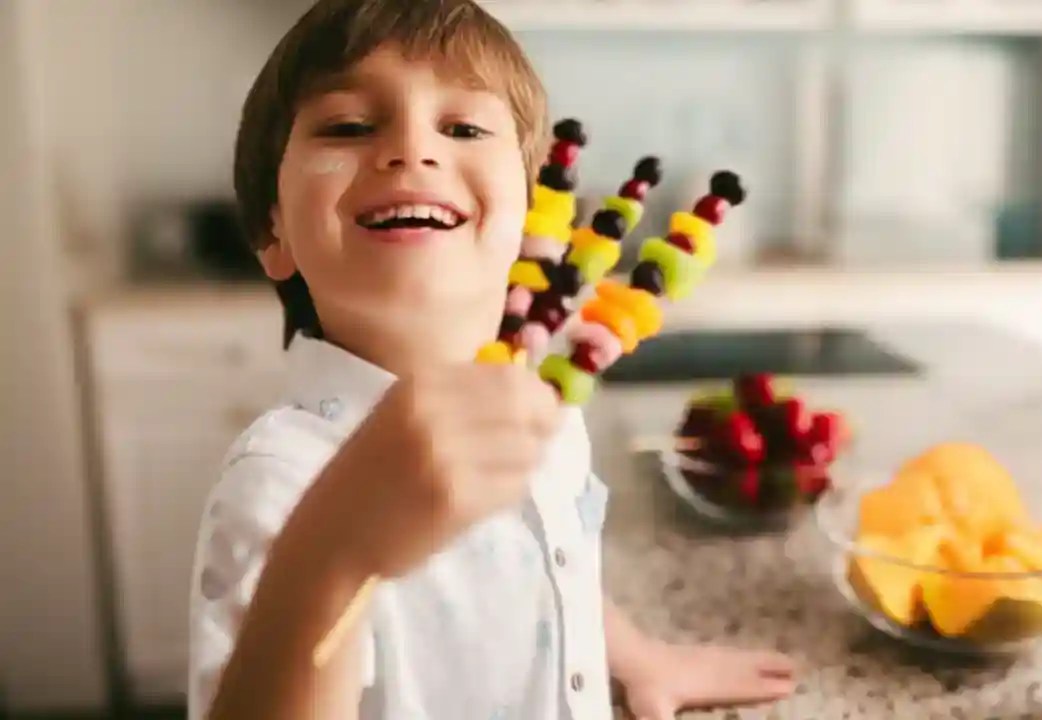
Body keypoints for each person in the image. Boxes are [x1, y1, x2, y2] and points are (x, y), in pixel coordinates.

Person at [187, 1, 797, 718]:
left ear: (537, 211)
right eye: (349, 126)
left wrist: (636, 657)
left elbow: (544, 559)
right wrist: (333, 553)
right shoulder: (279, 484)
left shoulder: (537, 403)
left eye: (464, 128)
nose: (412, 149)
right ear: (271, 231)